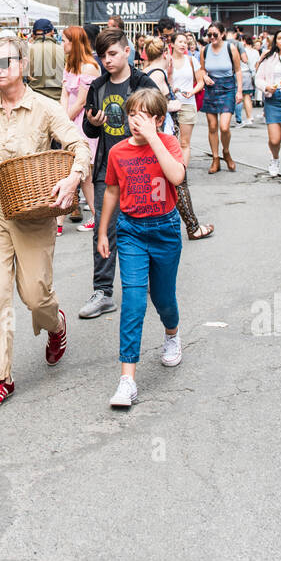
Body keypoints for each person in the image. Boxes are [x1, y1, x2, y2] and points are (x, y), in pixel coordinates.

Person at [0, 35, 89, 409]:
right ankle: (1, 377)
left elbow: (77, 145)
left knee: (35, 295)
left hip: (34, 211)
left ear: (23, 65)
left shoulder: (46, 109)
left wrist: (73, 177)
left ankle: (55, 324)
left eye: (5, 62)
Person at [97, 88, 186, 409]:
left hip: (164, 230)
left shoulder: (170, 144)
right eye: (132, 114)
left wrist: (155, 138)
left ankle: (172, 334)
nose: (136, 121)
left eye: (145, 116)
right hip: (131, 230)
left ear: (159, 119)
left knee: (163, 299)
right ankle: (127, 380)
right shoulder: (118, 152)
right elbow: (110, 191)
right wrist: (103, 232)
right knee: (133, 300)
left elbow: (176, 176)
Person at [78, 27, 155, 318]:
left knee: (142, 226)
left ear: (127, 51)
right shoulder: (97, 86)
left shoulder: (143, 83)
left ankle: (145, 280)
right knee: (104, 228)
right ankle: (103, 291)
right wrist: (93, 123)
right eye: (102, 56)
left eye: (112, 54)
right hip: (106, 169)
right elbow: (88, 129)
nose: (107, 61)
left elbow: (157, 120)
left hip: (140, 167)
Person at [145, 36, 213, 242]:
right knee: (178, 180)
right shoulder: (156, 74)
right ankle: (192, 227)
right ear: (166, 54)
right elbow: (149, 106)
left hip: (158, 135)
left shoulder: (151, 72)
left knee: (163, 181)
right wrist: (169, 105)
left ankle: (163, 226)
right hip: (161, 136)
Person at [59, 25, 100, 233]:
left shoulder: (89, 67)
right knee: (78, 172)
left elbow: (82, 101)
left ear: (73, 42)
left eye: (65, 40)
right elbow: (65, 94)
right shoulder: (70, 65)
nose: (62, 43)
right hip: (70, 121)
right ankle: (62, 219)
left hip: (83, 123)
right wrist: (60, 118)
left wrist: (64, 120)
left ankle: (96, 215)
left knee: (86, 173)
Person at [255, 27, 281, 183]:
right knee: (274, 139)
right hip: (273, 97)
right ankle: (275, 159)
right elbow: (258, 78)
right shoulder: (268, 58)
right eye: (280, 38)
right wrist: (266, 86)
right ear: (275, 41)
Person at [200, 22, 242, 172]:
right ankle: (215, 158)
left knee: (224, 127)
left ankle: (226, 151)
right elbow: (202, 70)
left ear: (222, 34)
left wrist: (240, 91)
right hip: (211, 88)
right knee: (212, 126)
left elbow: (238, 70)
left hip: (227, 87)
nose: (212, 38)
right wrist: (204, 77)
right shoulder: (204, 50)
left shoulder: (230, 48)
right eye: (209, 35)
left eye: (215, 34)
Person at [27, 18, 64, 100]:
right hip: (59, 99)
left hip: (36, 99)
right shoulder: (63, 50)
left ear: (33, 34)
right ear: (52, 32)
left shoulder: (28, 50)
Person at [240, 34, 259, 126]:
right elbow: (257, 64)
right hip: (252, 74)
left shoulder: (242, 51)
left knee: (244, 97)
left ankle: (247, 117)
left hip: (242, 73)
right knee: (247, 96)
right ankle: (249, 116)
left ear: (243, 41)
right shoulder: (255, 52)